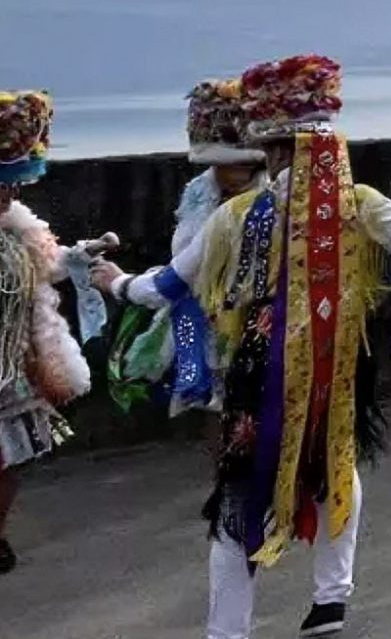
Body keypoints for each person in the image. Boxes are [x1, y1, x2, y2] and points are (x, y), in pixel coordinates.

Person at [95, 55, 391, 639]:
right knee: (335, 465)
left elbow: (166, 287)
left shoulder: (235, 216)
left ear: (273, 152)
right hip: (336, 366)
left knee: (238, 499)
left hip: (258, 377)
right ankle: (332, 594)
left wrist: (115, 283)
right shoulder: (360, 200)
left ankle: (227, 638)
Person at [107, 79, 270, 414]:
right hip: (216, 333)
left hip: (254, 335)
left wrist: (118, 283)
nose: (228, 175)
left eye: (239, 166)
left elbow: (172, 284)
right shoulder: (201, 192)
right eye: (221, 166)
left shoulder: (252, 211)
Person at [0, 90, 94, 576]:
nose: (11, 196)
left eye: (13, 187)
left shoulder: (18, 227)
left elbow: (48, 265)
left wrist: (81, 255)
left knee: (10, 458)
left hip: (14, 363)